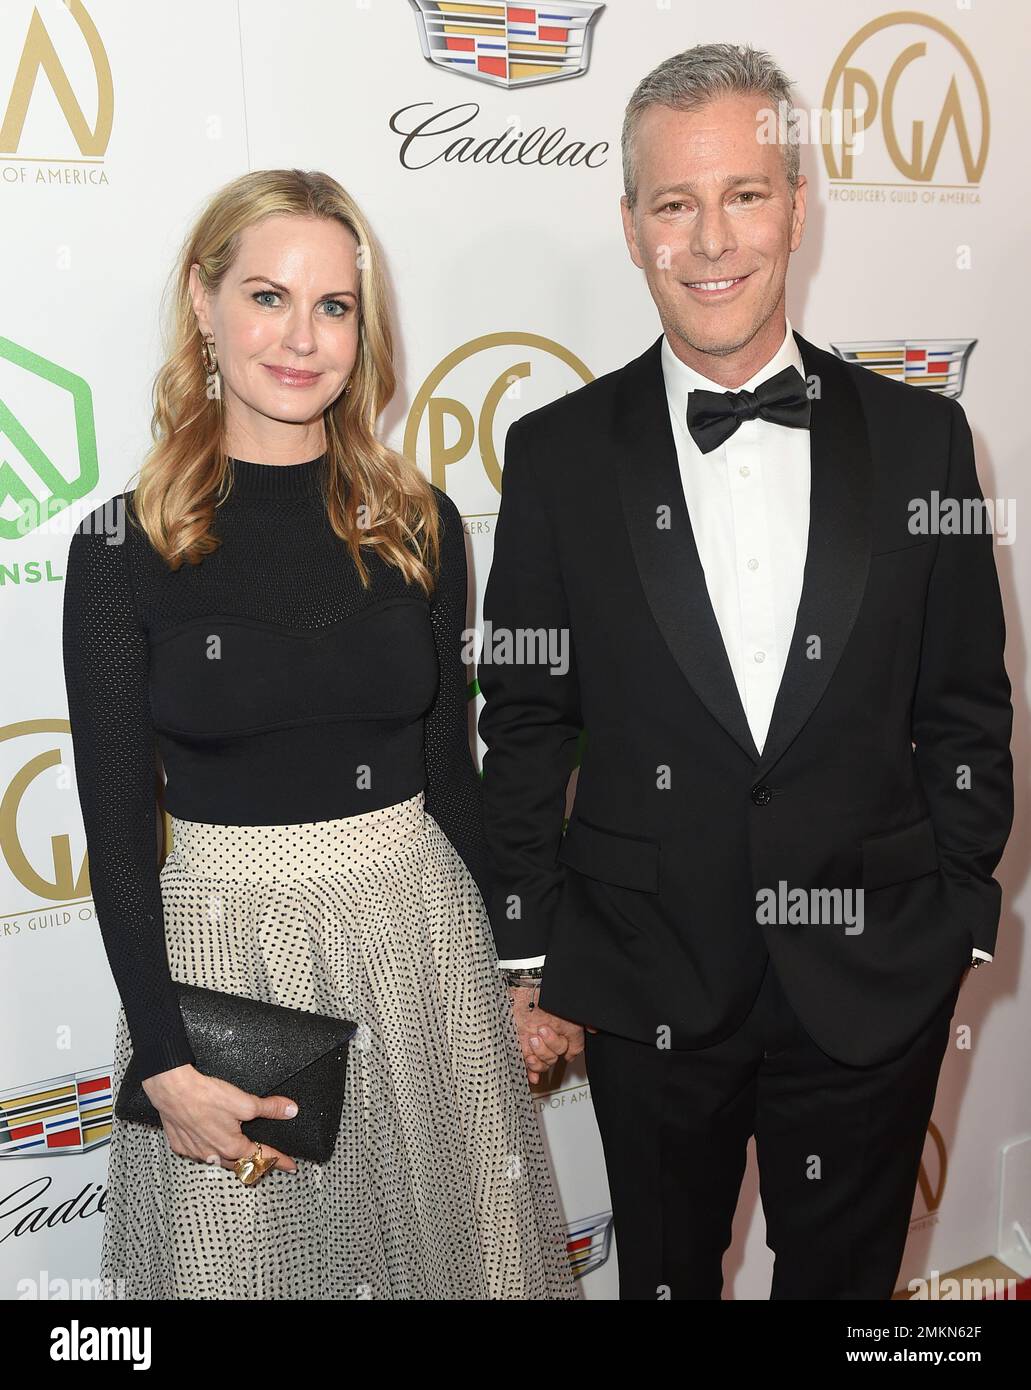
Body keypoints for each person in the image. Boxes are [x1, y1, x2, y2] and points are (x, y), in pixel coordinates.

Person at [477, 44, 1013, 1299]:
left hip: (873, 977)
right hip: (645, 975)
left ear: (795, 207)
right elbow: (525, 718)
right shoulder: (553, 454)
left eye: (743, 195)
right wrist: (528, 957)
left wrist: (952, 926)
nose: (710, 239)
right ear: (628, 226)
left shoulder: (923, 436)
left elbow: (965, 707)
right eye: (673, 203)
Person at [62, 168, 577, 1301]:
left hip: (420, 945)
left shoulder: (416, 521)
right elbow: (115, 830)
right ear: (203, 304)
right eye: (267, 297)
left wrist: (519, 969)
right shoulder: (120, 544)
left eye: (334, 306)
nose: (302, 337)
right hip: (223, 965)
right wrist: (162, 1060)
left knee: (459, 1268)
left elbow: (452, 774)